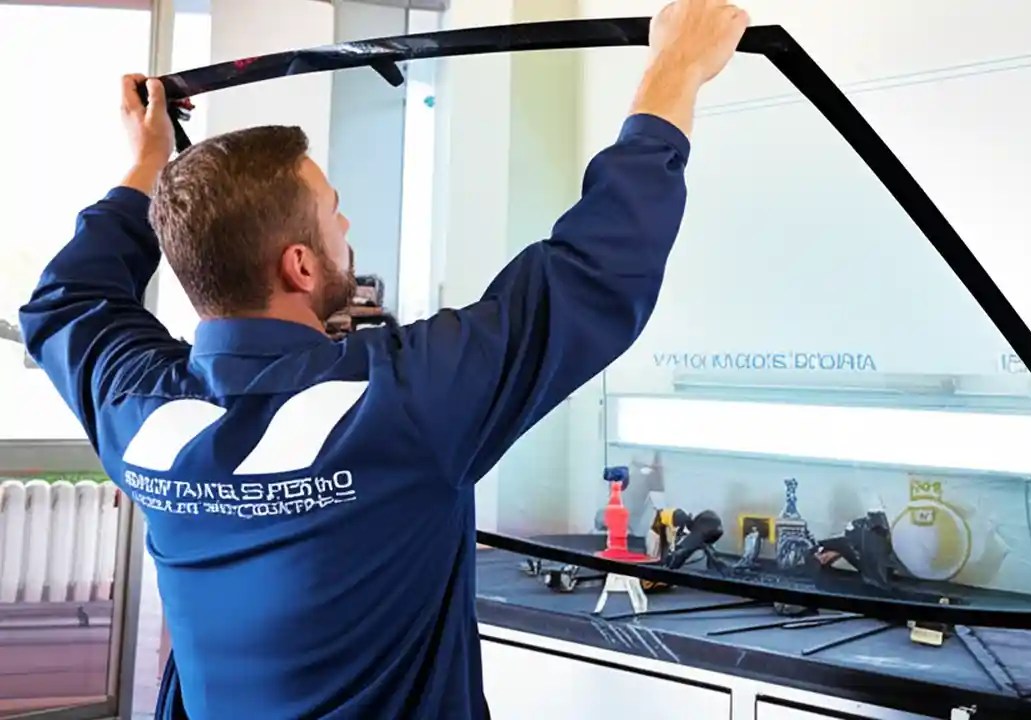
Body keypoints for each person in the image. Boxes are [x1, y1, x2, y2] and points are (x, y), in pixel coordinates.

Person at [19, 1, 748, 718]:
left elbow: (64, 300)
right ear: (300, 265)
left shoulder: (136, 411)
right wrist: (675, 68)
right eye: (332, 209)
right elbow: (592, 272)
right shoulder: (401, 401)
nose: (345, 223)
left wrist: (145, 167)